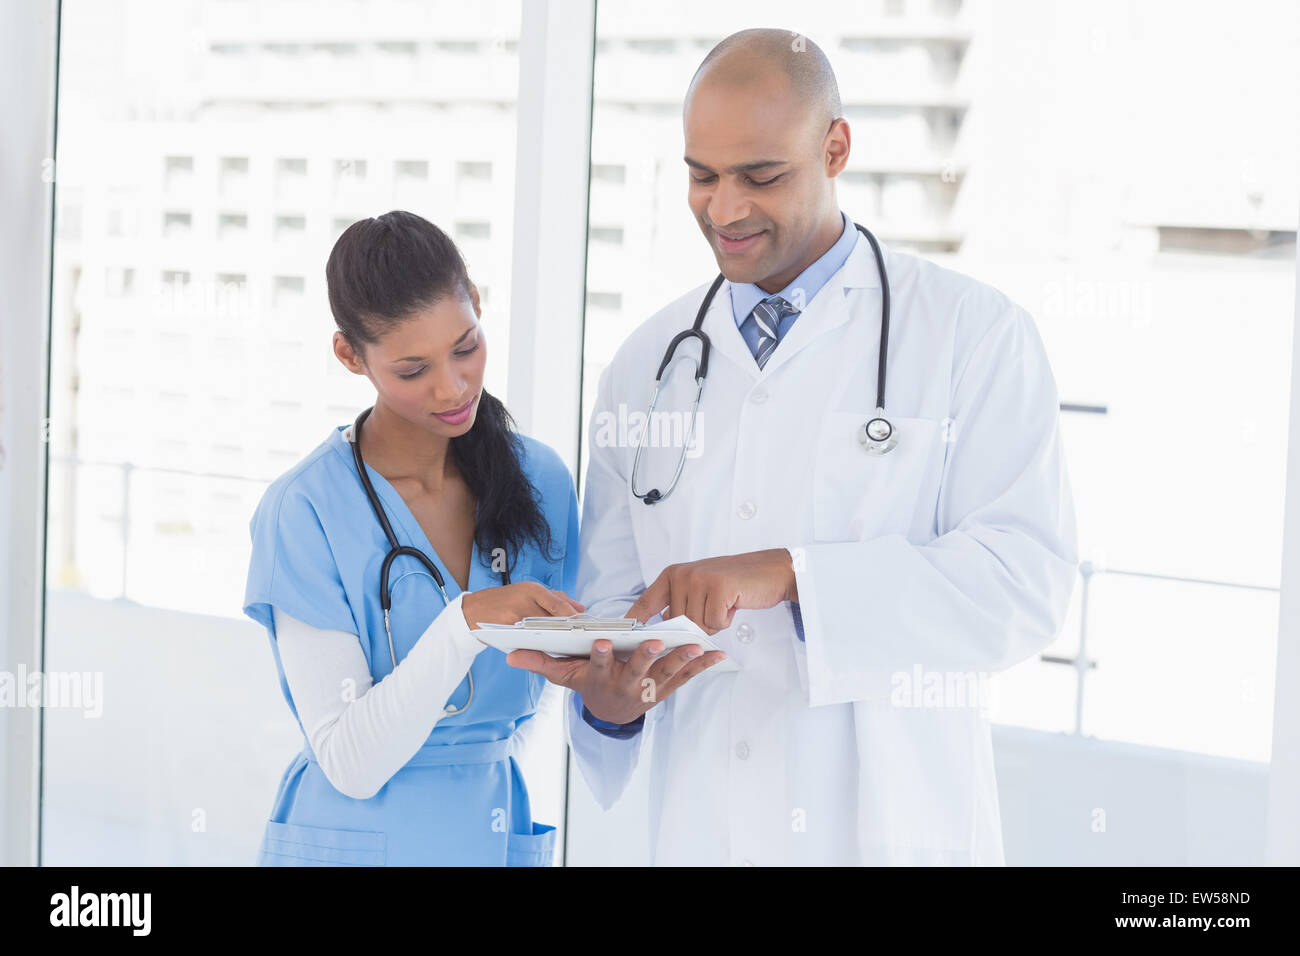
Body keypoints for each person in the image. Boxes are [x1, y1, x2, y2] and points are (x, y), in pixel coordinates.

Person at [507, 29, 1079, 865]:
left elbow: (1023, 584)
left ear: (835, 148)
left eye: (761, 176)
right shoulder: (647, 365)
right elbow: (613, 608)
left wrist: (790, 575)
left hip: (891, 833)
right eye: (702, 175)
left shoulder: (972, 333)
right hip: (705, 829)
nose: (724, 209)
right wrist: (610, 701)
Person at [243, 210, 584, 866]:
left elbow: (537, 688)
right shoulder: (305, 509)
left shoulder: (540, 480)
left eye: (465, 347)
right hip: (348, 838)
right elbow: (350, 763)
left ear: (476, 303)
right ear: (350, 356)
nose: (452, 387)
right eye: (412, 370)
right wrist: (464, 623)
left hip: (489, 826)